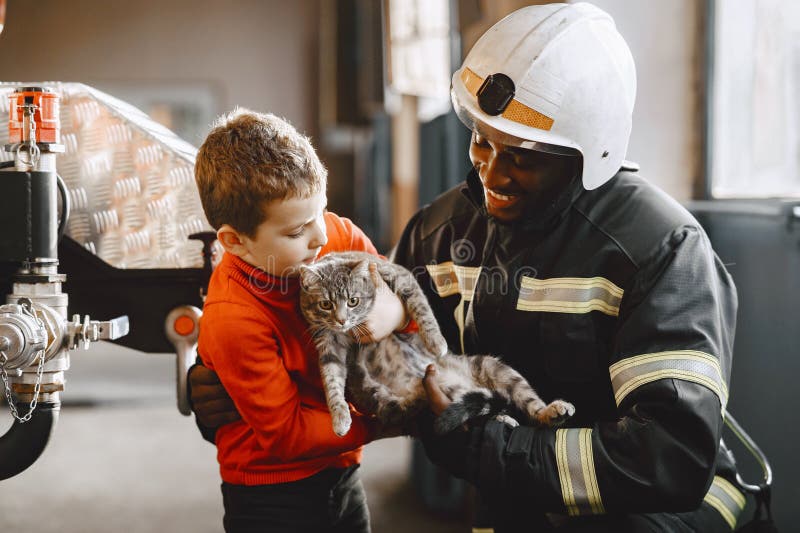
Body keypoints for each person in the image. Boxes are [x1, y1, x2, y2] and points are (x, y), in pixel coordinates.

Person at [191, 3, 747, 532]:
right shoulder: (440, 232)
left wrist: (489, 445)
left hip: (661, 515)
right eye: (483, 140)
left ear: (589, 153)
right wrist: (228, 389)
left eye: (523, 155)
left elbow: (668, 459)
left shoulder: (662, 248)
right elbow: (382, 361)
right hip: (517, 497)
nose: (492, 173)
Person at [191, 108, 409, 533]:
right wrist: (388, 420)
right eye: (296, 232)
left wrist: (395, 313)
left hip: (342, 468)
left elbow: (402, 294)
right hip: (271, 492)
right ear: (235, 242)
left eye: (321, 212)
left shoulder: (336, 237)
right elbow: (288, 435)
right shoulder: (233, 317)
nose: (321, 238)